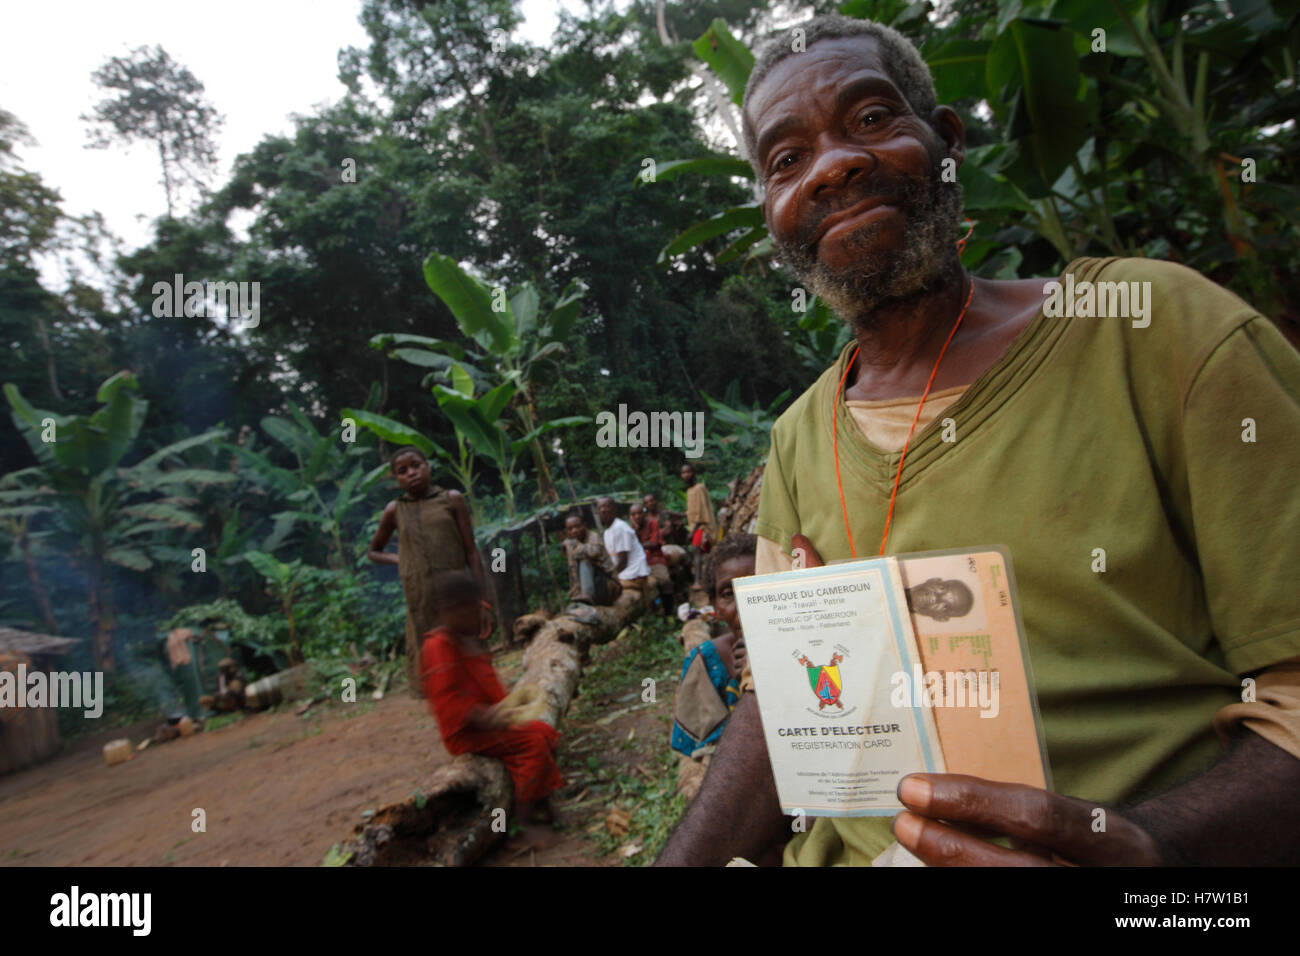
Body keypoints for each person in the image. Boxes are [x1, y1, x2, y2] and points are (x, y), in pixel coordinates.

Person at [657, 14, 1300, 868]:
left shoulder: (1158, 330)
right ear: (773, 215)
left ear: (949, 140)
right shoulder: (798, 440)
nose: (835, 165)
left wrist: (1152, 850)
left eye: (874, 120)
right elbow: (783, 706)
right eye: (786, 160)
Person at [420, 572, 562, 849]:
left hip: (492, 721)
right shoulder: (437, 647)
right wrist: (486, 717)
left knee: (547, 732)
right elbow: (448, 702)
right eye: (472, 609)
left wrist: (506, 707)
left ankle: (543, 801)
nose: (478, 615)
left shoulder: (463, 637)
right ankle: (522, 825)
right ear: (450, 611)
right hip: (467, 732)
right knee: (532, 745)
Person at [368, 446, 491, 700]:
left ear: (428, 466)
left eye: (416, 465)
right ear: (396, 479)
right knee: (437, 670)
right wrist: (399, 558)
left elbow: (471, 552)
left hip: (458, 600)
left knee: (470, 660)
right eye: (402, 471)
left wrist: (482, 601)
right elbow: (373, 551)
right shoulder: (394, 510)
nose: (411, 473)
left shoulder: (452, 499)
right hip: (421, 602)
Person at [671, 534, 756, 801]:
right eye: (729, 594)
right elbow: (710, 752)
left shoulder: (812, 650)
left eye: (756, 586)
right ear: (715, 606)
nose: (744, 606)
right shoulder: (708, 661)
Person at [562, 511, 619, 606]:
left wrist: (571, 545)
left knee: (585, 559)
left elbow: (593, 552)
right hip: (595, 588)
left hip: (609, 586)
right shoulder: (573, 543)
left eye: (577, 526)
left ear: (584, 525)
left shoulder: (593, 537)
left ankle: (587, 595)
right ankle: (582, 597)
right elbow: (573, 571)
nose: (574, 531)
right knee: (576, 562)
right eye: (570, 529)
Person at [597, 497, 650, 597]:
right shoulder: (607, 532)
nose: (603, 510)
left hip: (633, 575)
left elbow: (623, 561)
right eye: (599, 508)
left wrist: (612, 577)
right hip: (625, 574)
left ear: (614, 508)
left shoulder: (619, 527)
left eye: (606, 506)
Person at [630, 502, 674, 617]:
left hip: (654, 559)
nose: (637, 517)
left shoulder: (652, 523)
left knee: (664, 580)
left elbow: (655, 543)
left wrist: (639, 544)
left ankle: (669, 612)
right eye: (633, 514)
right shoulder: (631, 530)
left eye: (639, 513)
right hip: (639, 562)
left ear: (644, 514)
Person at [681, 463, 717, 586]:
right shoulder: (690, 491)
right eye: (683, 473)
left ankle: (698, 581)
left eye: (688, 472)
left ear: (694, 473)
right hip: (696, 526)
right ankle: (706, 578)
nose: (686, 475)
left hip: (702, 526)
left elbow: (701, 512)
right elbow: (691, 512)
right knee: (704, 553)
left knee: (696, 550)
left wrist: (692, 532)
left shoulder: (699, 488)